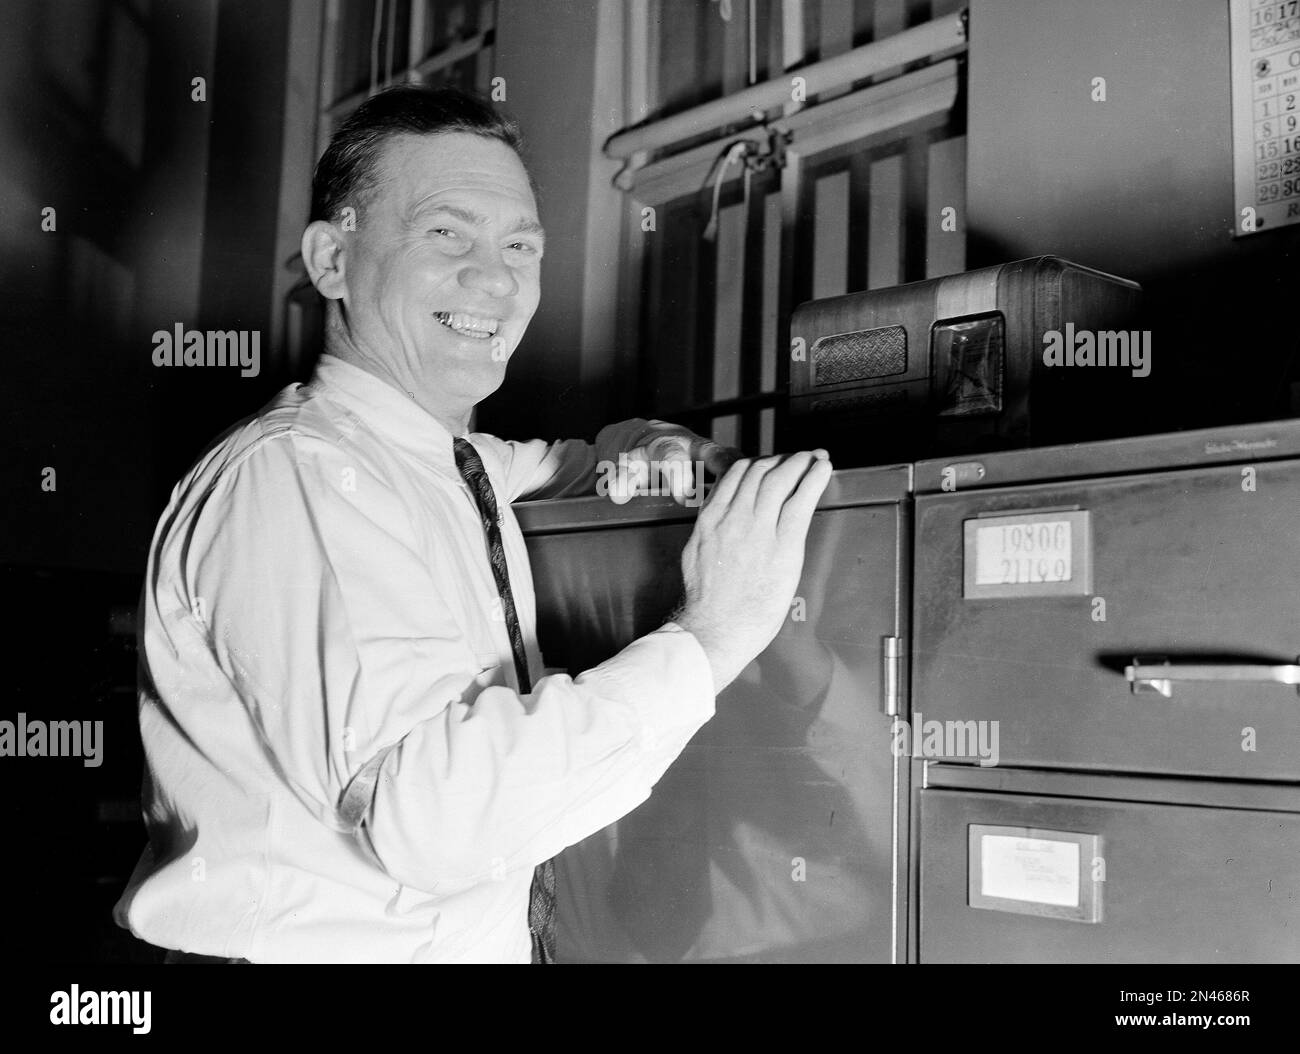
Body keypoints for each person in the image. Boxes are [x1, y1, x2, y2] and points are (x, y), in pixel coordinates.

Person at [114, 85, 832, 963]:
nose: (495, 278)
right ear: (332, 260)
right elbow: (434, 817)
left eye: (520, 245)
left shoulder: (443, 460)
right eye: (446, 233)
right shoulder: (298, 475)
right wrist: (715, 635)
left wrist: (656, 445)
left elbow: (581, 461)